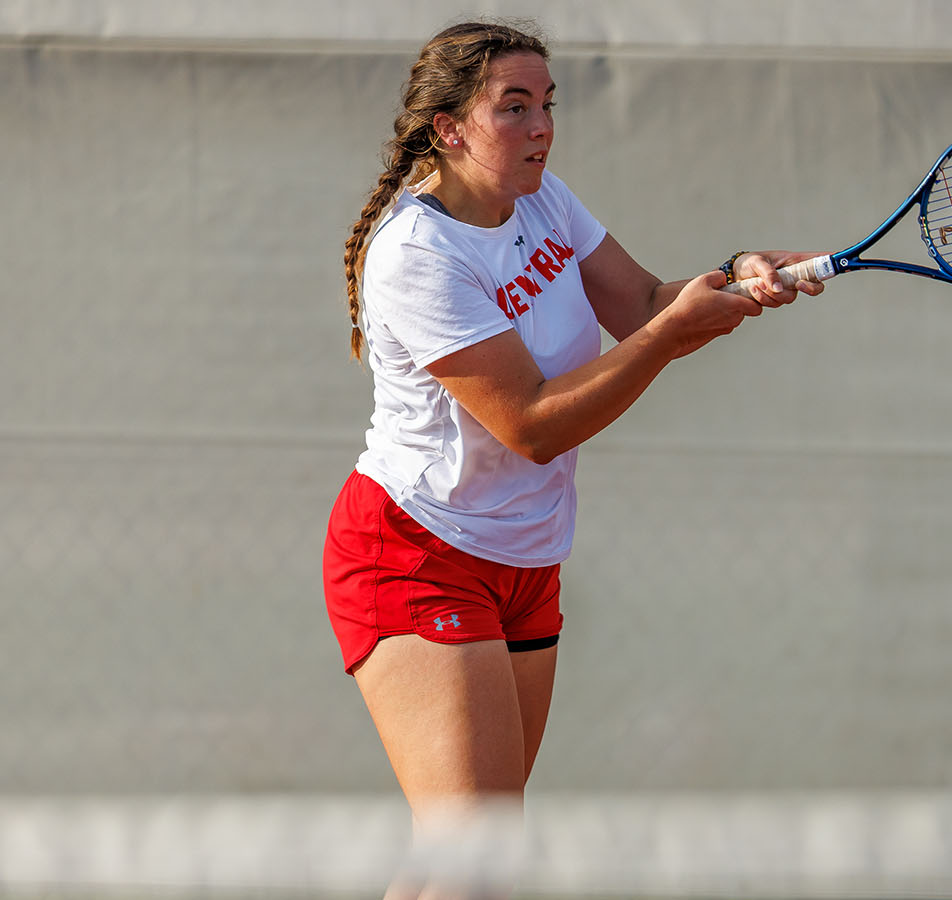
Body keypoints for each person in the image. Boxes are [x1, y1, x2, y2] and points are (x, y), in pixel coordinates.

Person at [324, 19, 823, 898]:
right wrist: (669, 337)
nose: (541, 126)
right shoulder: (416, 254)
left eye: (547, 104)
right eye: (513, 107)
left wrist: (736, 275)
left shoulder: (545, 199)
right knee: (476, 858)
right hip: (417, 554)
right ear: (449, 128)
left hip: (525, 556)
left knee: (468, 856)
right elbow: (533, 424)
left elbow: (639, 303)